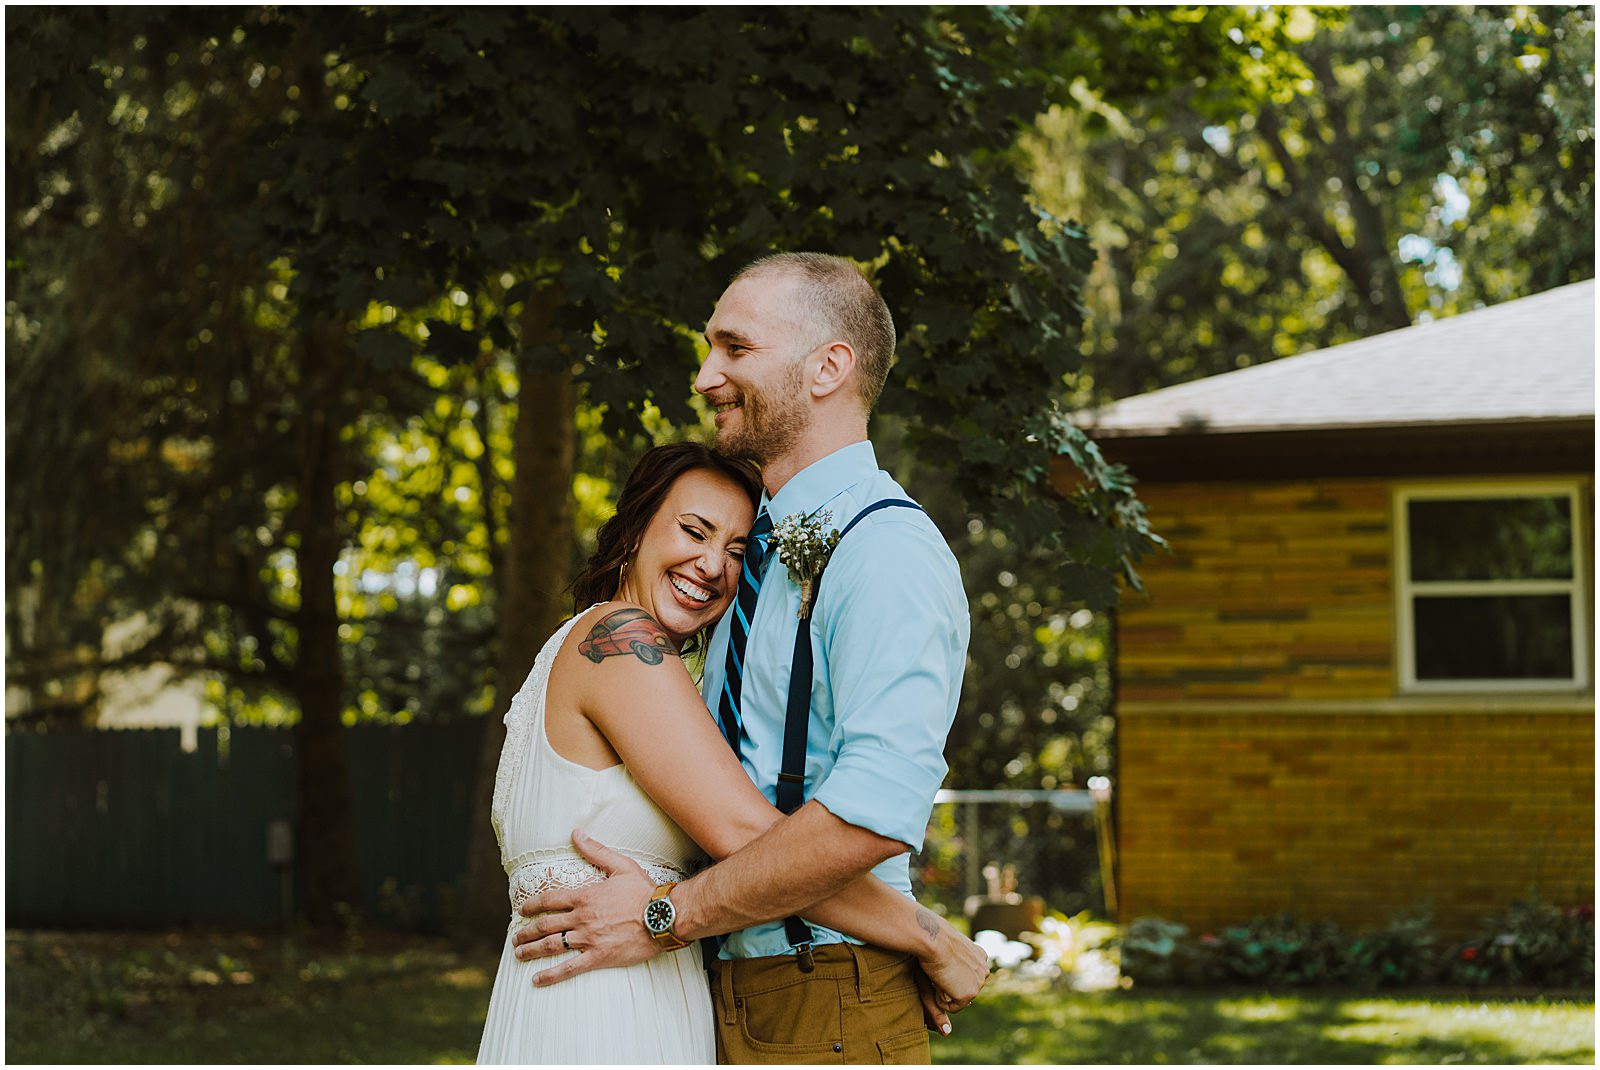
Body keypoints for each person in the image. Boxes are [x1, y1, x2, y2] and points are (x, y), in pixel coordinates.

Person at [513, 253, 981, 1063]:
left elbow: (871, 811)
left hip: (826, 986)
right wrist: (931, 938)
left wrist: (668, 913)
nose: (704, 377)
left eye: (734, 348)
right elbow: (720, 799)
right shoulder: (739, 565)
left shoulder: (886, 552)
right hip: (706, 986)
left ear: (829, 366)